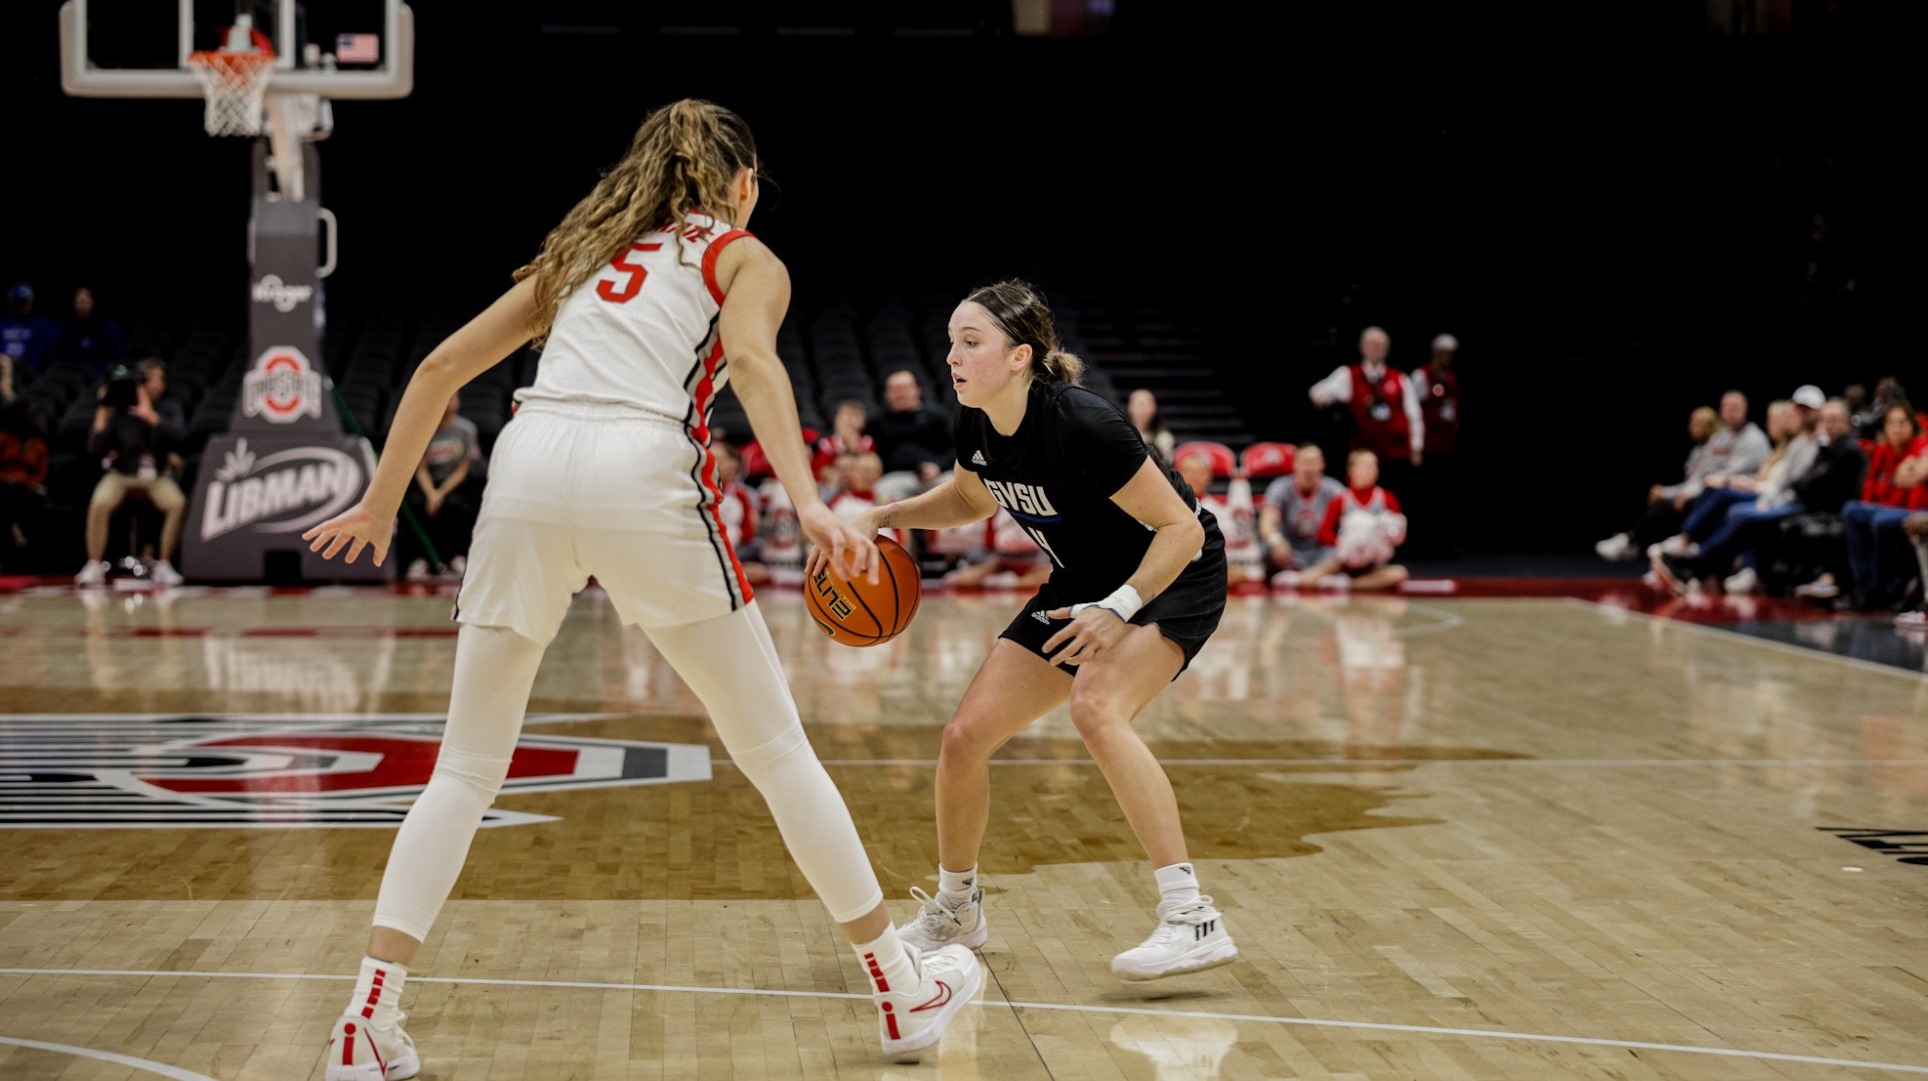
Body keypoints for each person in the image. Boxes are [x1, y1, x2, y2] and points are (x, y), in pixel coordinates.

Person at [298, 99, 981, 1076]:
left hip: (529, 458)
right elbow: (752, 363)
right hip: (642, 463)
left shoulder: (584, 250)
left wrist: (379, 502)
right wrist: (808, 500)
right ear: (740, 183)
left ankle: (367, 1017)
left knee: (464, 768)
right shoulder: (742, 255)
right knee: (775, 747)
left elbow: (444, 364)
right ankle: (900, 989)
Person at [832, 278, 1238, 981]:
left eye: (970, 342)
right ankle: (959, 907)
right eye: (950, 342)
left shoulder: (1083, 422)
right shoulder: (975, 421)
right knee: (964, 738)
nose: (952, 357)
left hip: (1171, 573)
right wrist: (884, 515)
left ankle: (1191, 914)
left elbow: (1181, 529)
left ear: (1020, 355)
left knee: (1096, 707)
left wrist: (1119, 607)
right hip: (1083, 581)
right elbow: (970, 498)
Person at [75, 363, 187, 588]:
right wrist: (103, 409)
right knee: (100, 501)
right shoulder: (120, 411)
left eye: (160, 379)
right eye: (151, 378)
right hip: (122, 474)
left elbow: (179, 436)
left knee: (177, 503)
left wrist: (149, 415)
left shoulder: (169, 408)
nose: (156, 384)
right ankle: (94, 565)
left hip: (156, 476)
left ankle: (164, 565)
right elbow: (94, 447)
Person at [1307, 326, 1423, 501]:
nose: (1375, 348)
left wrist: (1416, 447)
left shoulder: (1399, 378)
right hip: (1362, 453)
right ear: (1362, 347)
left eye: (1379, 345)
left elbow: (1414, 415)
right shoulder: (1349, 374)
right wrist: (1323, 398)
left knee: (1394, 499)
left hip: (1395, 455)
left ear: (1387, 349)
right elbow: (1317, 392)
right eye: (1371, 344)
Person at [1595, 405, 1720, 561]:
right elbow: (1689, 482)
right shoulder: (1697, 451)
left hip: (1703, 497)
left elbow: (1702, 482)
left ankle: (1633, 542)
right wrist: (1665, 492)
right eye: (1692, 423)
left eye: (1699, 424)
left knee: (1663, 508)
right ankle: (1633, 541)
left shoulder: (1714, 452)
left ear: (1710, 426)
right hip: (1689, 493)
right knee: (1657, 500)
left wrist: (1668, 494)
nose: (1693, 427)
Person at [400, 391, 485, 582]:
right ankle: (422, 559)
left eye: (453, 397)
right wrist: (431, 493)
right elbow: (421, 468)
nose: (449, 402)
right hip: (429, 482)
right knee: (415, 505)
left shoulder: (466, 430)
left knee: (460, 507)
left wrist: (441, 493)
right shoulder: (424, 429)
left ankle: (457, 558)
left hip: (454, 483)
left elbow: (462, 469)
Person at [1313, 449, 1409, 592]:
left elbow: (1400, 533)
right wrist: (1345, 545)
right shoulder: (1340, 499)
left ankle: (1348, 585)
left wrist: (1387, 537)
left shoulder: (1387, 498)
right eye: (1365, 466)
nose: (1370, 470)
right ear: (1351, 470)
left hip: (1374, 564)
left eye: (1373, 466)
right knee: (1312, 578)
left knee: (1399, 574)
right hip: (1344, 563)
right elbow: (1323, 533)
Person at [1259, 442, 1347, 588]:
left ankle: (1301, 579)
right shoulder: (1280, 487)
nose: (1309, 468)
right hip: (1288, 551)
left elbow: (1349, 521)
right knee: (1268, 547)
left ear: (1322, 464)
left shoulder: (1335, 489)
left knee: (1346, 551)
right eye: (1305, 462)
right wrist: (1277, 541)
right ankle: (1316, 579)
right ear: (1295, 464)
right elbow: (1267, 522)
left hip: (1322, 551)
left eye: (1313, 462)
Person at [1406, 333, 1459, 558]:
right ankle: (1421, 546)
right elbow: (1412, 410)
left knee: (1442, 498)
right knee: (1424, 498)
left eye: (1450, 353)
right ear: (1435, 352)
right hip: (1426, 447)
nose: (1446, 357)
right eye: (1443, 352)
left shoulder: (1450, 376)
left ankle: (1440, 544)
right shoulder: (1421, 375)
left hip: (1445, 447)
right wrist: (1415, 444)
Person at [870, 368, 953, 502]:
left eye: (905, 388)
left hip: (939, 475)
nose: (900, 394)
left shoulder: (938, 417)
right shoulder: (876, 423)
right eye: (894, 389)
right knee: (881, 490)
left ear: (917, 390)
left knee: (957, 483)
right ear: (886, 394)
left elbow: (957, 449)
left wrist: (939, 466)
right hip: (897, 478)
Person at [0, 398, 51, 571]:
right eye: (29, 415)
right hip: (4, 485)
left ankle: (20, 539)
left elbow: (41, 474)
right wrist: (9, 479)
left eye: (35, 415)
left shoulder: (39, 444)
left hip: (28, 489)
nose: (33, 419)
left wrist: (25, 483)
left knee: (23, 498)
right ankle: (14, 535)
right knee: (6, 493)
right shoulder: (3, 438)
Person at [1, 282, 60, 400]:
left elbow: (40, 354)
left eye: (26, 302)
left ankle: (13, 401)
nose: (25, 307)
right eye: (19, 303)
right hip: (4, 368)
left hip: (27, 371)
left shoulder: (39, 325)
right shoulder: (3, 324)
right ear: (11, 303)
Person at [55, 286, 126, 373]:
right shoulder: (64, 326)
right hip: (73, 372)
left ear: (92, 302)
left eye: (85, 301)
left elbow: (119, 356)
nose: (82, 305)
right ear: (74, 304)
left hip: (101, 371)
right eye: (79, 302)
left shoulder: (108, 326)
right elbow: (58, 356)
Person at [1127, 387, 1175, 467]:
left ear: (1154, 408)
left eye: (1149, 404)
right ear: (1130, 407)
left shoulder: (1164, 438)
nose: (1143, 409)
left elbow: (1167, 464)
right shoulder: (1121, 434)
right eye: (1140, 404)